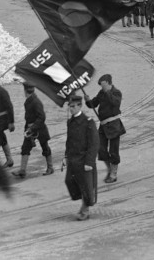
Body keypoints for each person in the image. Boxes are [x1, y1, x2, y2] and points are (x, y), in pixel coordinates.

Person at [63, 93, 98, 221]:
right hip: (73, 160)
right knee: (70, 181)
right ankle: (84, 204)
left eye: (72, 106)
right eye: (69, 106)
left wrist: (89, 162)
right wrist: (66, 156)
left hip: (84, 161)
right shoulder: (70, 122)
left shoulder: (88, 122)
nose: (70, 109)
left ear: (79, 106)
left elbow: (94, 143)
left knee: (86, 186)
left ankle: (85, 210)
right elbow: (69, 141)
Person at [85, 73, 125, 184]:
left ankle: (113, 173)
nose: (101, 87)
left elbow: (115, 103)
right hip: (103, 126)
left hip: (114, 125)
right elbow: (94, 103)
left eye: (102, 85)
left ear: (108, 82)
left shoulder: (116, 92)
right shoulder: (101, 92)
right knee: (100, 148)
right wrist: (88, 101)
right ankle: (109, 168)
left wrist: (107, 91)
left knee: (114, 150)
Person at [16, 83, 53, 179]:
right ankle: (22, 171)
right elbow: (29, 118)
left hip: (39, 129)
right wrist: (27, 129)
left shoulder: (36, 102)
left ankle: (50, 168)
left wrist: (32, 128)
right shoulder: (29, 101)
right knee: (25, 148)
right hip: (30, 130)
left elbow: (42, 117)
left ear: (25, 90)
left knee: (45, 147)